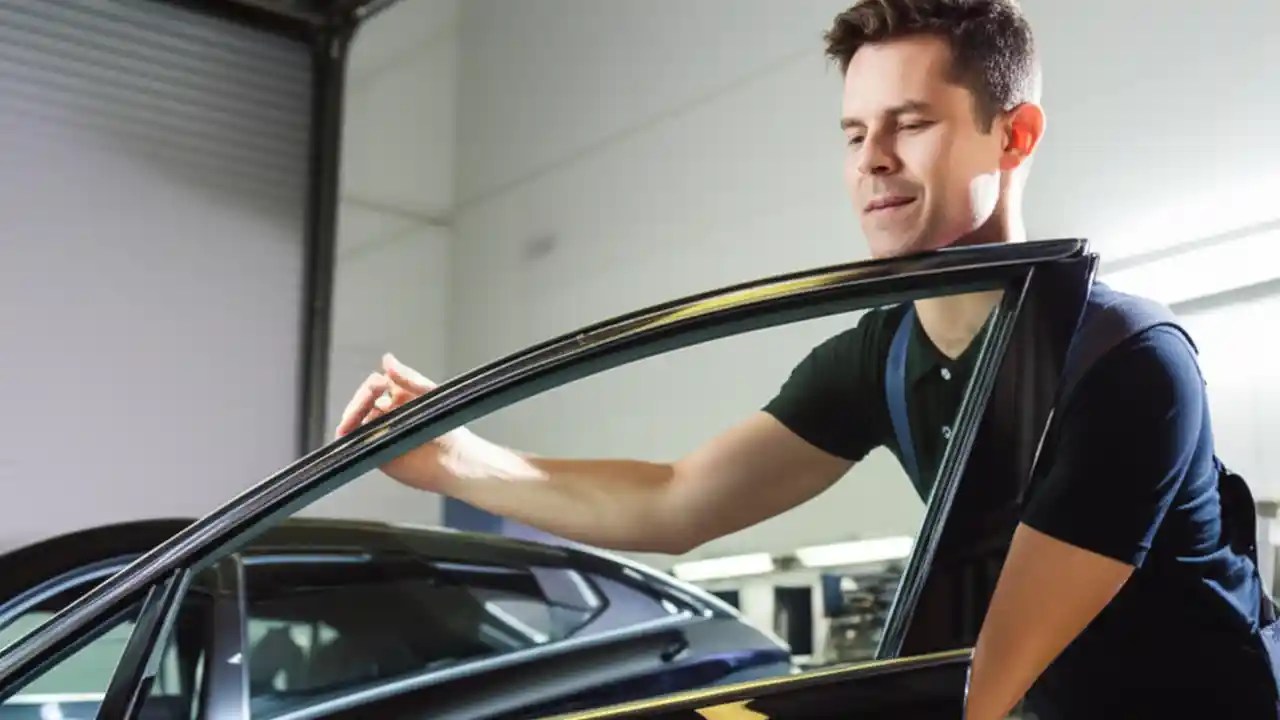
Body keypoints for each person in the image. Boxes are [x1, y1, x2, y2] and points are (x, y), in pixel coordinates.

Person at [336, 1, 1278, 717]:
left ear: (1015, 133)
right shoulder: (881, 354)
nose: (872, 160)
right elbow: (675, 500)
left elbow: (978, 678)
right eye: (854, 132)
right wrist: (459, 460)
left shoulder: (1125, 363)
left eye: (909, 124)